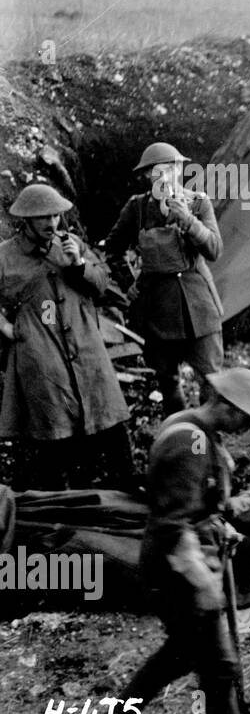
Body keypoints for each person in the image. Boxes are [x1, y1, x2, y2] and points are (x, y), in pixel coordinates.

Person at [84, 368, 250, 714]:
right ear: (228, 407)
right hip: (176, 570)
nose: (247, 429)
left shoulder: (192, 430)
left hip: (179, 562)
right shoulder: (189, 441)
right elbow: (174, 523)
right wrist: (204, 581)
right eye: (247, 419)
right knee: (218, 668)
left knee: (182, 659)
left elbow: (191, 507)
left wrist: (218, 525)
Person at [0, 183, 132, 489]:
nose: (52, 223)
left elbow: (102, 286)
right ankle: (59, 499)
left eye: (56, 216)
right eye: (43, 217)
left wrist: (79, 264)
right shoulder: (6, 256)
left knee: (106, 415)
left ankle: (118, 489)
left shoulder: (73, 244)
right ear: (26, 221)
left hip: (85, 345)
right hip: (40, 348)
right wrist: (6, 327)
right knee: (53, 427)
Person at [104, 142, 225, 415]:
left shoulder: (198, 202)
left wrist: (190, 223)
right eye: (155, 172)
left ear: (180, 170)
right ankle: (179, 435)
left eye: (170, 170)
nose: (164, 177)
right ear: (147, 177)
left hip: (199, 308)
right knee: (168, 381)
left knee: (211, 379)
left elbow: (215, 250)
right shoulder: (136, 209)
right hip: (157, 310)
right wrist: (128, 285)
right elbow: (112, 248)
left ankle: (206, 440)